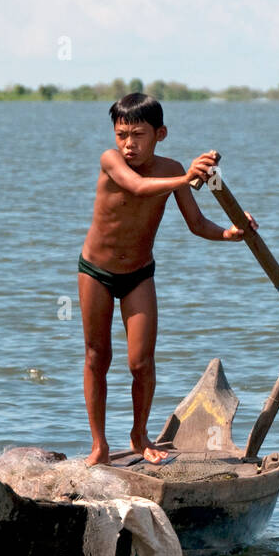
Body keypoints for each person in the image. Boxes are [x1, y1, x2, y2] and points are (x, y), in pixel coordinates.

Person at [78, 92, 257, 466]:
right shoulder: (110, 161)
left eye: (138, 134)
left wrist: (229, 233)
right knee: (98, 356)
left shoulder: (171, 170)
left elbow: (197, 224)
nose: (129, 144)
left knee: (140, 362)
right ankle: (99, 446)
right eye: (122, 134)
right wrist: (186, 177)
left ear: (160, 134)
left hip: (139, 274)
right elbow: (136, 187)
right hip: (96, 271)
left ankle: (140, 435)